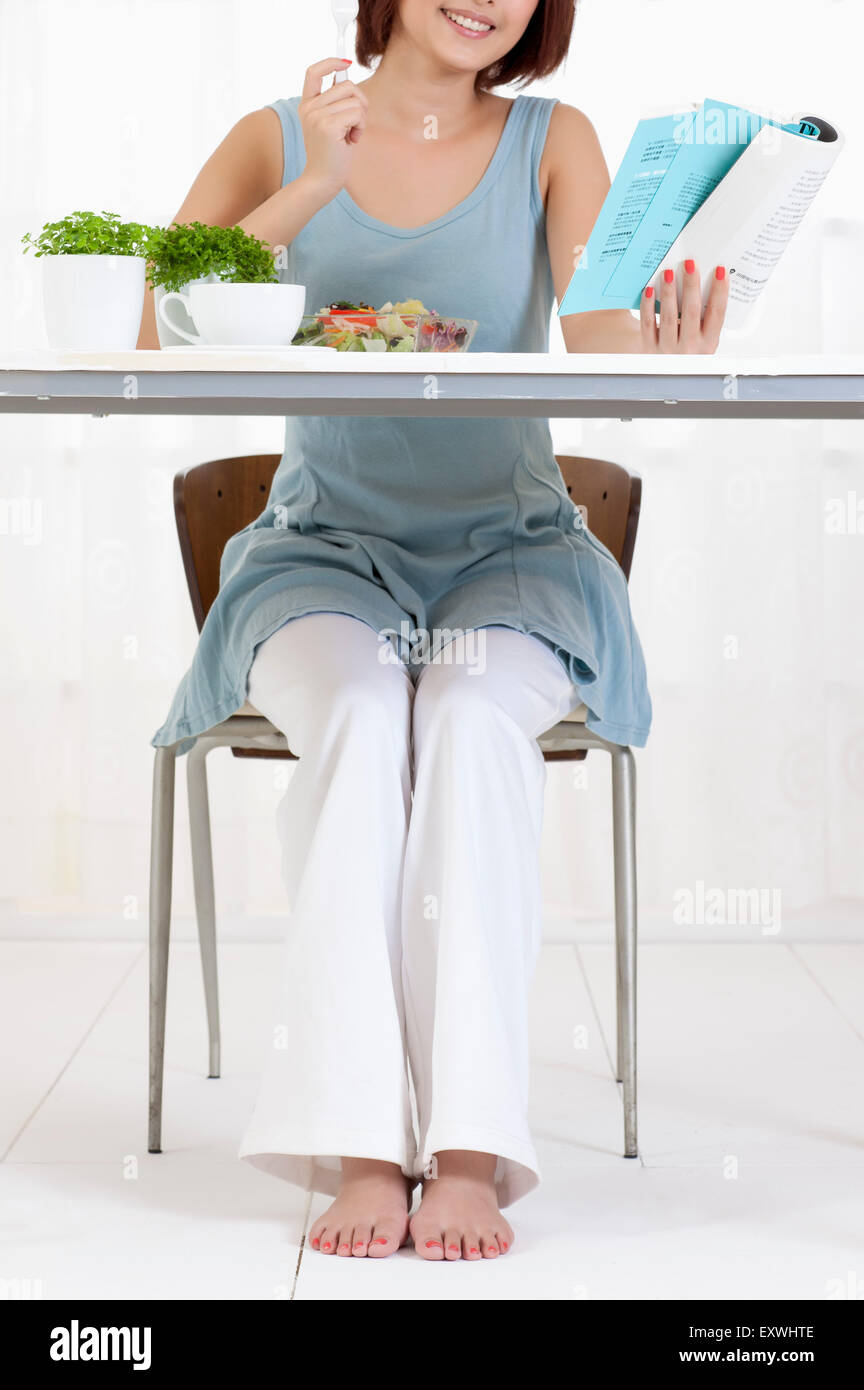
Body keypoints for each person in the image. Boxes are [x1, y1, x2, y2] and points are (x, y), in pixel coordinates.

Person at [144, 0, 729, 1261]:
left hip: (509, 555)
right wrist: (318, 181)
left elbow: (605, 339)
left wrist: (668, 337)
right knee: (360, 715)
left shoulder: (554, 139)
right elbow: (153, 330)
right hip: (322, 555)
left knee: (466, 719)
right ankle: (361, 1147)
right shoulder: (276, 137)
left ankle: (467, 1151)